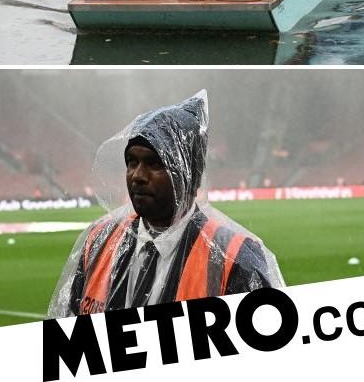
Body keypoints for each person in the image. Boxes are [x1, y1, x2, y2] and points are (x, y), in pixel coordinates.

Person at [47, 91, 283, 317]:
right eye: (132, 161)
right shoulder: (98, 241)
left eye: (154, 163)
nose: (137, 175)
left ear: (192, 173)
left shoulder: (235, 256)